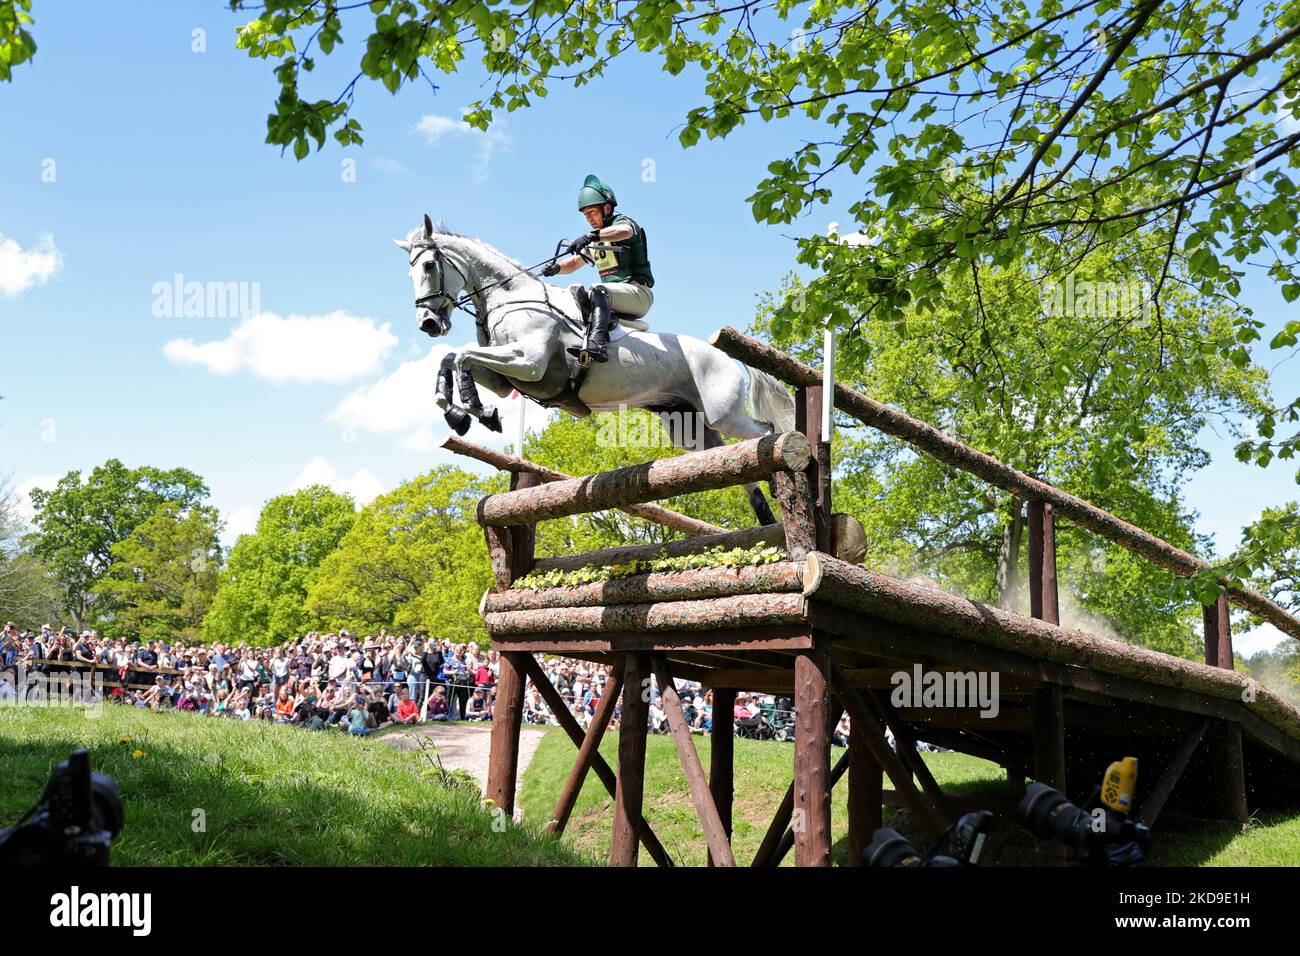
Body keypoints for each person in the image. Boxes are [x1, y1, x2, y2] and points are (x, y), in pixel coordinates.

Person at [542, 174, 654, 364]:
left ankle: (598, 345)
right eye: (586, 215)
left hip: (638, 294)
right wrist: (555, 268)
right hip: (614, 297)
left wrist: (590, 236)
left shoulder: (623, 223)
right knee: (576, 292)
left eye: (592, 212)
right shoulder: (597, 238)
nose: (589, 219)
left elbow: (625, 232)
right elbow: (574, 264)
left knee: (597, 289)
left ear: (607, 208)